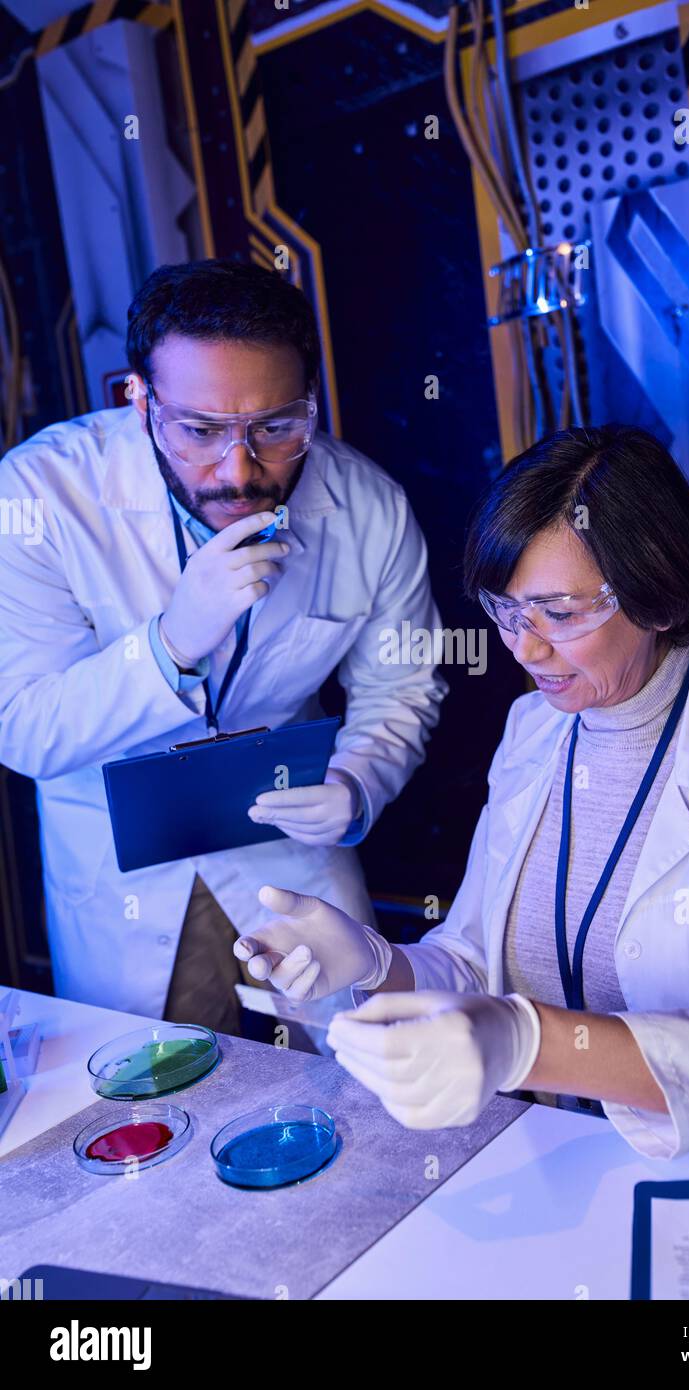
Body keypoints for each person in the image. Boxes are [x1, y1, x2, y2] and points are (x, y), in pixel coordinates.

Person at [235, 425, 689, 1171]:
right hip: (560, 1162)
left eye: (559, 615)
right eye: (506, 611)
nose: (524, 649)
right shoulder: (533, 727)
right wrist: (376, 964)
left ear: (660, 595)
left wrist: (530, 1043)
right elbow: (474, 961)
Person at [0, 259, 446, 1042]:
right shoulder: (38, 497)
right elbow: (22, 726)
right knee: (150, 1109)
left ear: (312, 400)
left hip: (294, 847)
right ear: (138, 400)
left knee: (362, 1082)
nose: (239, 469)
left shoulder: (369, 508)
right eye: (200, 430)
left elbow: (403, 684)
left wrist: (360, 781)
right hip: (119, 873)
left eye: (276, 426)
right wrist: (171, 642)